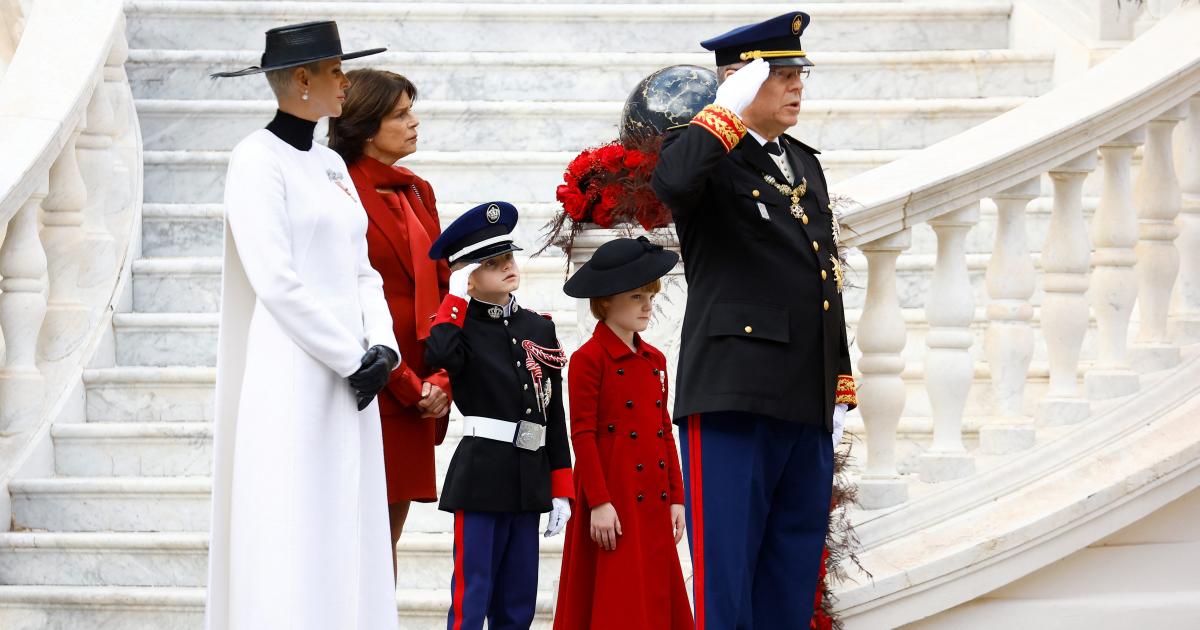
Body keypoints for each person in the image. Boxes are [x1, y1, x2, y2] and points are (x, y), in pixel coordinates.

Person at [650, 12, 858, 629]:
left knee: (790, 575)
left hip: (805, 394)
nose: (797, 86)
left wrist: (839, 381)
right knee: (728, 576)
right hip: (735, 394)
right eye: (781, 74)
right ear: (741, 82)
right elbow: (673, 185)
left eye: (800, 73)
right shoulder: (708, 154)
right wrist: (723, 112)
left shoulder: (802, 161)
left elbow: (826, 276)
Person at [206, 21, 401, 630]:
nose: (346, 82)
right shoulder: (255, 160)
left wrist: (385, 347)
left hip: (356, 374)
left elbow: (363, 267)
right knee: (294, 512)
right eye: (336, 71)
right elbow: (275, 279)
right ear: (301, 80)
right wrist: (350, 357)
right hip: (294, 366)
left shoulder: (332, 166)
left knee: (351, 515)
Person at [424, 201, 574, 630]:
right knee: (473, 594)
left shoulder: (537, 327)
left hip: (529, 476)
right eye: (492, 262)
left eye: (508, 256)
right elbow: (440, 357)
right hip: (481, 476)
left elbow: (553, 411)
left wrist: (561, 482)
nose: (508, 266)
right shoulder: (458, 325)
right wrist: (453, 301)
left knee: (518, 599)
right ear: (468, 278)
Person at [329, 68, 453, 578]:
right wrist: (402, 380)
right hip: (367, 380)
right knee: (353, 540)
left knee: (388, 536)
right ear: (363, 125)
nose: (414, 122)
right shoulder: (337, 189)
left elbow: (445, 291)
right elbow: (343, 298)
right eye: (400, 114)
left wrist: (442, 377)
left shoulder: (418, 190)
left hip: (420, 385)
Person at [553, 237, 693, 630]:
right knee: (616, 599)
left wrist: (677, 498)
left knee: (654, 596)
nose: (648, 305)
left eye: (649, 295)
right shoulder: (587, 360)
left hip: (653, 497)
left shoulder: (655, 359)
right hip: (613, 498)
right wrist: (598, 502)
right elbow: (581, 434)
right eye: (636, 297)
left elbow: (664, 429)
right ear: (606, 302)